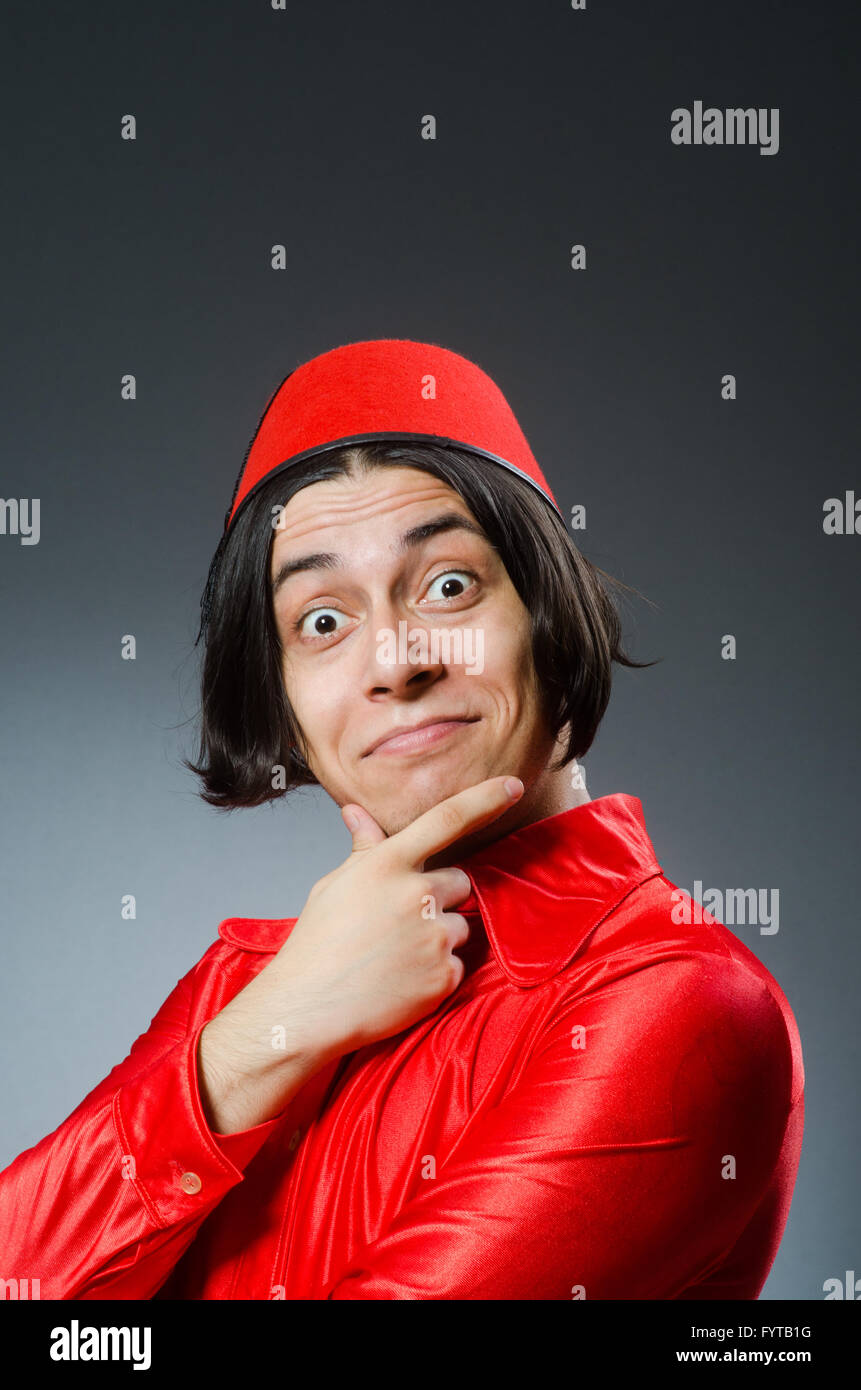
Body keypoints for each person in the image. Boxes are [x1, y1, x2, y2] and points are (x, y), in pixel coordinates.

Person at [0, 339, 804, 1299]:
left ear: (551, 614)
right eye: (322, 620)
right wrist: (269, 1033)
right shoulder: (252, 987)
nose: (393, 661)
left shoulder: (680, 1000)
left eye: (448, 585)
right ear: (283, 700)